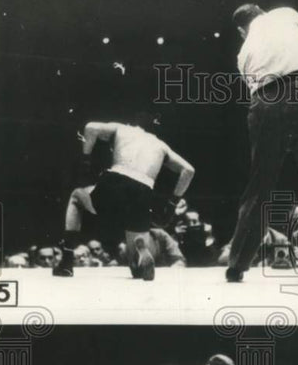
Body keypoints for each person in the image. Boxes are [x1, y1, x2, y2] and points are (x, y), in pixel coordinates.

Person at [226, 4, 298, 284]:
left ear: (242, 30)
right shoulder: (287, 13)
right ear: (262, 12)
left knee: (259, 185)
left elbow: (256, 88)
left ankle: (236, 265)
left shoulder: (243, 53)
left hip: (264, 101)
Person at [53, 112, 195, 278]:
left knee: (77, 197)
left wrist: (86, 161)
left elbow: (91, 127)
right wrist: (171, 206)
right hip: (143, 192)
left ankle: (67, 261)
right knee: (136, 271)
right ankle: (140, 255)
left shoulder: (123, 129)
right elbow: (188, 170)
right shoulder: (161, 146)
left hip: (116, 180)